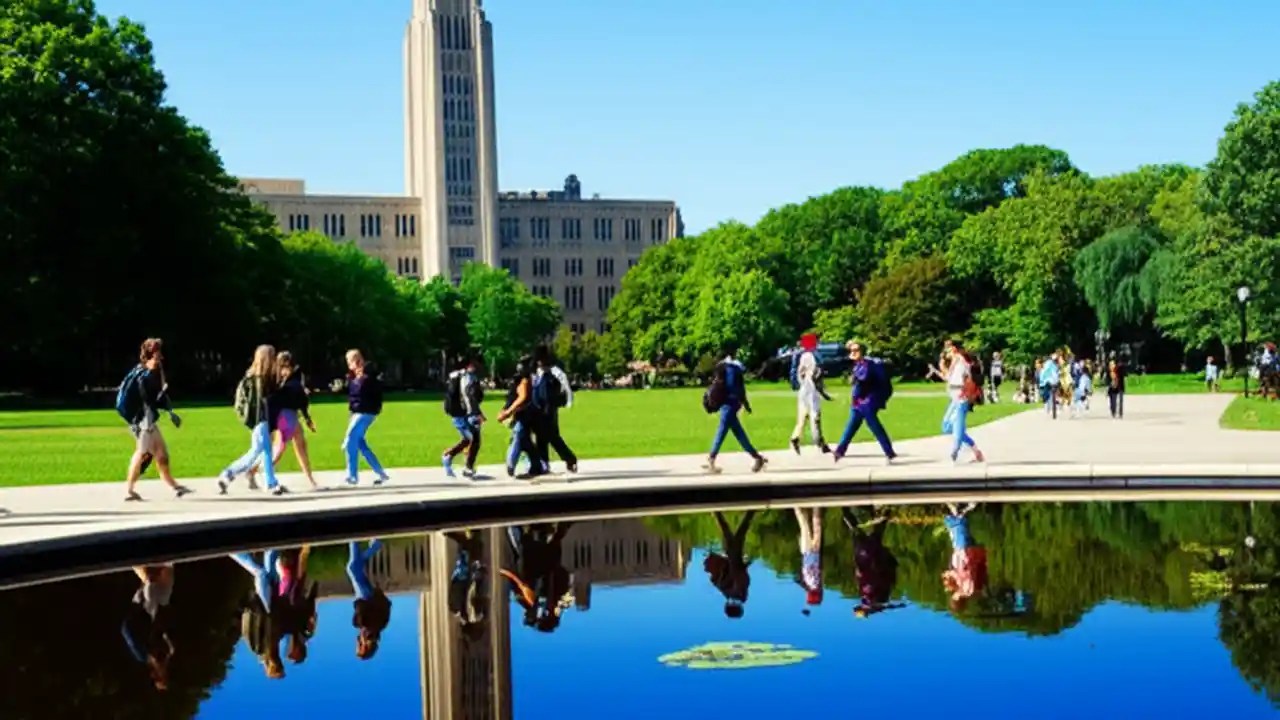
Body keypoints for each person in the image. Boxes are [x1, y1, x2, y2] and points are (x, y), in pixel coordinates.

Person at [121, 339, 191, 501]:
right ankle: (129, 490)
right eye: (158, 352)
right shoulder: (146, 373)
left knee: (161, 453)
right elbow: (150, 398)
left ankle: (173, 485)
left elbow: (156, 398)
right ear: (152, 353)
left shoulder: (148, 371)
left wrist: (169, 410)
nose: (161, 355)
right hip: (143, 421)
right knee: (142, 453)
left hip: (148, 419)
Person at [219, 345, 288, 496]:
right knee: (264, 452)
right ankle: (269, 483)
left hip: (256, 421)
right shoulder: (259, 380)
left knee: (258, 452)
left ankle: (228, 475)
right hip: (260, 420)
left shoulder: (252, 377)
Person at [247, 351, 319, 491]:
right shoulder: (277, 379)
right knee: (279, 447)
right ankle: (258, 472)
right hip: (283, 415)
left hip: (290, 414)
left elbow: (301, 399)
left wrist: (307, 417)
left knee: (300, 445)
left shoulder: (294, 378)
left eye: (287, 367)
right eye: (282, 367)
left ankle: (310, 479)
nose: (285, 370)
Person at [703, 348, 767, 474]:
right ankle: (757, 458)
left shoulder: (725, 368)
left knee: (722, 431)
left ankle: (711, 458)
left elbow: (731, 387)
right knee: (738, 433)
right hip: (731, 404)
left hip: (728, 405)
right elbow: (738, 389)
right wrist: (744, 403)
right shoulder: (733, 368)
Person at [833, 341, 896, 464]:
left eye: (856, 350)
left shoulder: (869, 364)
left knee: (875, 427)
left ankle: (889, 452)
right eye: (851, 351)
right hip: (858, 402)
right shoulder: (858, 364)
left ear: (862, 351)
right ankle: (839, 451)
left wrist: (854, 376)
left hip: (868, 401)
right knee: (851, 426)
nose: (853, 353)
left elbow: (865, 379)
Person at [842, 506, 904, 618]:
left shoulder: (866, 596)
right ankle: (884, 510)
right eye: (862, 608)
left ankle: (847, 509)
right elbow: (870, 579)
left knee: (862, 533)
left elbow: (860, 576)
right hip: (871, 559)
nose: (861, 605)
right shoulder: (873, 597)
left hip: (867, 559)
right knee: (867, 533)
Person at [343, 349, 390, 487]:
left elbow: (368, 394)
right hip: (358, 412)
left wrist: (360, 377)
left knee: (350, 440)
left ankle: (352, 476)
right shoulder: (355, 377)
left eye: (349, 361)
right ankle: (381, 473)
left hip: (365, 412)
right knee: (360, 443)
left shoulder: (368, 376)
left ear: (356, 361)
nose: (348, 365)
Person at [496, 356, 546, 479]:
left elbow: (522, 398)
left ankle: (511, 464)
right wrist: (505, 410)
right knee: (524, 441)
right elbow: (513, 396)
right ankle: (536, 465)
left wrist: (507, 412)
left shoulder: (526, 379)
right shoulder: (520, 378)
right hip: (522, 413)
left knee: (518, 436)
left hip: (525, 414)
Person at [532, 346, 579, 474]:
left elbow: (562, 389)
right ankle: (544, 462)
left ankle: (569, 459)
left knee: (553, 438)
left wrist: (566, 402)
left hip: (549, 410)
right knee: (542, 438)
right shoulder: (538, 374)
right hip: (539, 410)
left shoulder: (553, 374)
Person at [941, 340, 986, 464]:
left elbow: (966, 378)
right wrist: (943, 367)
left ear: (954, 349)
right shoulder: (957, 361)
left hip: (962, 395)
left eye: (948, 349)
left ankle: (954, 452)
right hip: (954, 395)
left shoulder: (962, 360)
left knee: (958, 426)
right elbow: (948, 377)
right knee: (946, 426)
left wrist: (945, 367)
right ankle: (975, 451)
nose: (946, 352)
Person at [703, 511, 755, 618]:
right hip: (734, 560)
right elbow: (741, 577)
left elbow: (739, 577)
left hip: (733, 560)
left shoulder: (733, 592)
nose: (733, 602)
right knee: (734, 535)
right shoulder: (737, 592)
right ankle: (719, 514)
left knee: (735, 535)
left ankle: (749, 514)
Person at [443, 356, 486, 479]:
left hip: (462, 413)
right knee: (473, 439)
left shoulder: (459, 375)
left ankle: (452, 457)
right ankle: (465, 465)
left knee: (469, 439)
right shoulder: (468, 377)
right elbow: (469, 397)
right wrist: (476, 413)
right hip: (465, 414)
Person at [348, 539, 391, 660]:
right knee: (353, 569)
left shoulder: (371, 630)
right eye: (358, 647)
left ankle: (372, 545)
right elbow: (382, 608)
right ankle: (356, 538)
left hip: (363, 597)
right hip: (366, 597)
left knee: (354, 567)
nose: (357, 644)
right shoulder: (373, 630)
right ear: (365, 648)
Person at [941, 503, 988, 612]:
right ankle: (967, 507)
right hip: (964, 555)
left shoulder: (965, 590)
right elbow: (966, 573)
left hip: (965, 554)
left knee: (958, 528)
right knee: (958, 527)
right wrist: (949, 574)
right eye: (953, 597)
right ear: (957, 599)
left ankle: (956, 508)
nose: (953, 595)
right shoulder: (966, 589)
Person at [789, 333, 831, 455]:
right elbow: (816, 375)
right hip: (811, 389)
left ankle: (795, 437)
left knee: (802, 416)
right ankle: (819, 442)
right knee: (815, 415)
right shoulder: (814, 356)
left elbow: (799, 373)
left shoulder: (801, 355)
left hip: (803, 389)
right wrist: (821, 391)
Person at [793, 507, 824, 609]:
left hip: (807, 552)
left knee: (805, 526)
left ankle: (796, 506)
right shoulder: (818, 582)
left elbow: (797, 578)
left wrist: (806, 588)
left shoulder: (807, 583)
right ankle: (815, 506)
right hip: (815, 552)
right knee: (816, 526)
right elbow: (820, 567)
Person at [1039, 352, 1061, 419]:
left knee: (1047, 393)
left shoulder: (1050, 363)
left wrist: (1041, 381)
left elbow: (1044, 372)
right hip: (1053, 381)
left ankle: (1048, 406)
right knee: (1052, 393)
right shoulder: (1054, 364)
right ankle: (1053, 405)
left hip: (1049, 381)